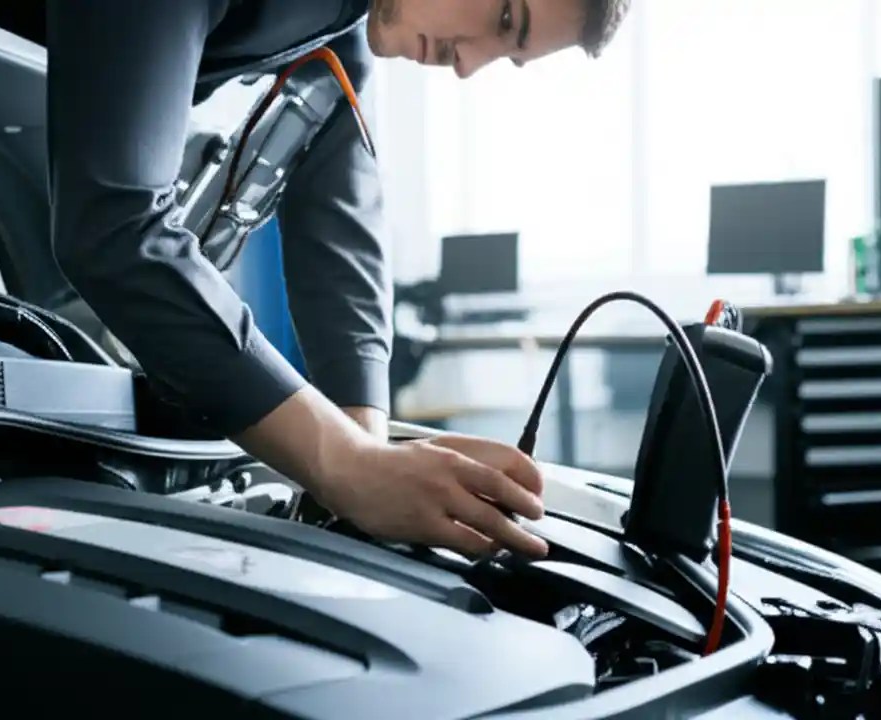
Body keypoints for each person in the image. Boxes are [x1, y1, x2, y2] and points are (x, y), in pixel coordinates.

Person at [45, 0, 630, 559]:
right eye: (505, 18)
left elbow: (340, 189)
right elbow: (113, 228)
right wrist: (344, 463)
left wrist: (367, 454)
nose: (468, 66)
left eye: (509, 55)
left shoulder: (340, 16)